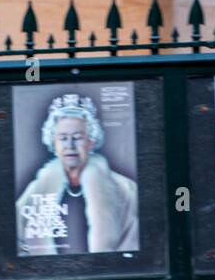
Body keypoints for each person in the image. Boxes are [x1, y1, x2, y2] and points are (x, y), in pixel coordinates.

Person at [16, 93, 139, 255]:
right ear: (54, 143)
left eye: (77, 137)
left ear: (91, 141)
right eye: (63, 138)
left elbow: (134, 246)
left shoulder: (126, 190)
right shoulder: (34, 194)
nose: (70, 145)